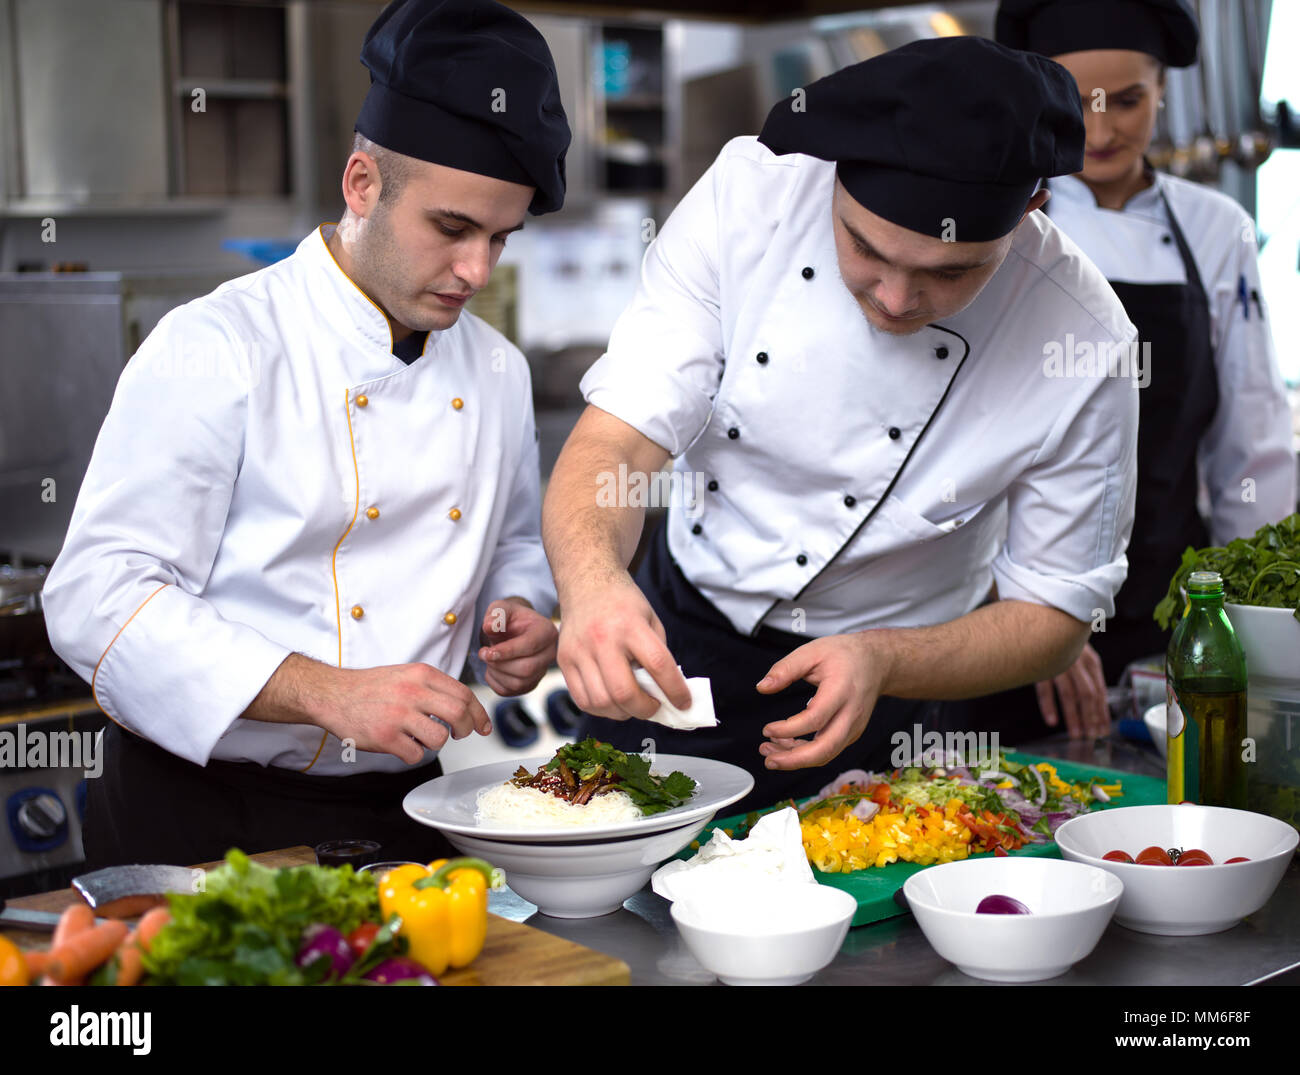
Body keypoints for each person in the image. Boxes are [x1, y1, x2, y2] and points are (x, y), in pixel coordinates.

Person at [542, 36, 1141, 814]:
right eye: (863, 247)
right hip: (676, 642)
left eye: (948, 272)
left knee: (873, 921)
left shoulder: (1084, 341)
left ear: (1032, 209)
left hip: (900, 688)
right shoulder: (746, 201)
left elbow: (1054, 615)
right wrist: (593, 586)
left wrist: (884, 660)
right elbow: (616, 438)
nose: (894, 298)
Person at [42, 0, 571, 868]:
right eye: (451, 228)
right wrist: (325, 693)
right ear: (362, 183)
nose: (477, 270)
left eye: (500, 238)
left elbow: (514, 538)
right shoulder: (217, 346)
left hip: (409, 808)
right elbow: (96, 595)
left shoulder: (499, 372)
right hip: (201, 811)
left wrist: (520, 613)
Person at [973, 0, 1297, 742]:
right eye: (1077, 101)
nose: (1103, 128)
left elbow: (1251, 434)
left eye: (1129, 100)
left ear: (1163, 91)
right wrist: (1030, 613)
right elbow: (974, 434)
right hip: (1009, 605)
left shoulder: (1216, 228)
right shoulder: (1005, 219)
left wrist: (1258, 625)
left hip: (1172, 602)